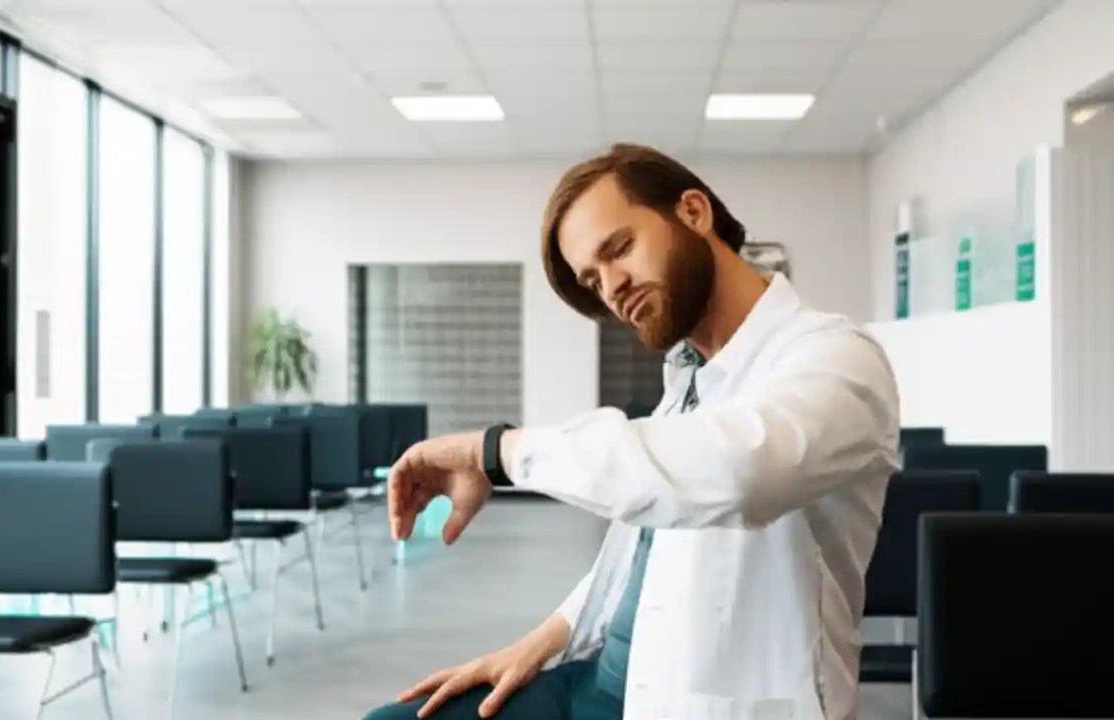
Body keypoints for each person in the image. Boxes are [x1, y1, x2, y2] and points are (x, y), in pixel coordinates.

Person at [365, 144, 900, 720]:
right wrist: (538, 642)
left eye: (620, 249)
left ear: (694, 212)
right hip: (604, 682)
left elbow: (735, 471)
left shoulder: (836, 358)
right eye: (593, 280)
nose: (612, 287)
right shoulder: (687, 383)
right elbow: (641, 554)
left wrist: (495, 452)